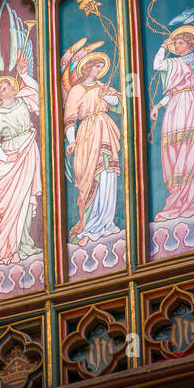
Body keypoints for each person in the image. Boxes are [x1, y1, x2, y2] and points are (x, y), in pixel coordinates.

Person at [0, 52, 42, 265]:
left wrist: (24, 75)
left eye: (10, 85)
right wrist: (7, 157)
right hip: (10, 160)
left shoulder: (24, 101)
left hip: (28, 151)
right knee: (10, 206)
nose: (10, 88)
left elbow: (38, 92)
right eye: (4, 87)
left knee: (26, 201)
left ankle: (25, 243)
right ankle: (7, 248)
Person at [149, 24, 194, 221]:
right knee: (174, 148)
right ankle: (179, 194)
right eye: (175, 43)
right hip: (174, 105)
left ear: (190, 44)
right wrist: (158, 105)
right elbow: (157, 65)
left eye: (179, 42)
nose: (176, 46)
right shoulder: (172, 63)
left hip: (189, 102)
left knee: (191, 146)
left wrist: (165, 47)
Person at [63, 52, 122, 244]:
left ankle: (106, 222)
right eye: (96, 66)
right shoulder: (76, 90)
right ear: (87, 68)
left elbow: (119, 103)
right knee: (89, 178)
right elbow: (70, 118)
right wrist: (71, 141)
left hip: (105, 129)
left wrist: (108, 97)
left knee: (108, 174)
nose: (99, 70)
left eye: (100, 67)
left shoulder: (102, 87)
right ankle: (89, 226)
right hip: (87, 134)